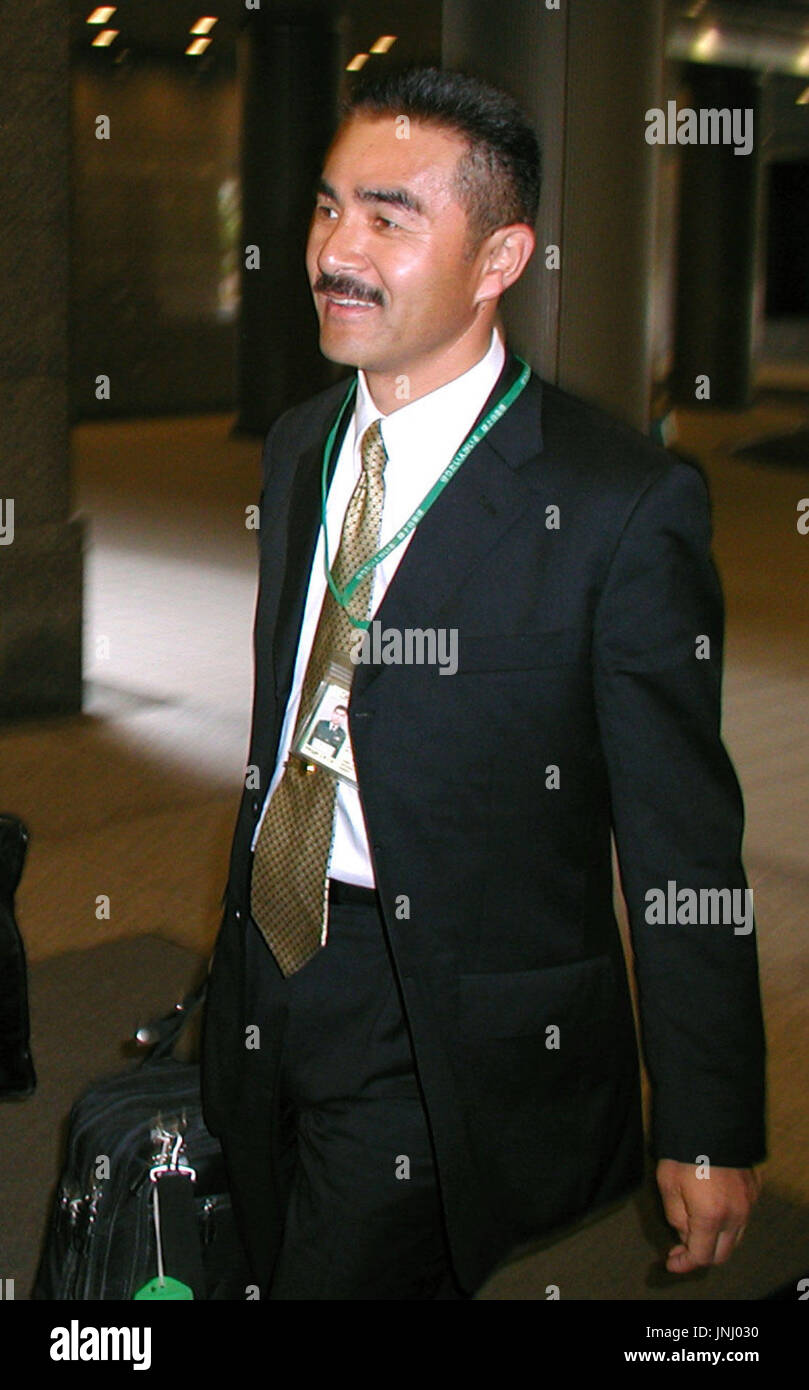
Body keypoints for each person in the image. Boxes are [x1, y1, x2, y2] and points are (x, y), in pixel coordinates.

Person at [201, 65, 766, 1300]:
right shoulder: (303, 445)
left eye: (389, 216)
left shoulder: (618, 506)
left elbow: (681, 840)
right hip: (273, 962)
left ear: (500, 255)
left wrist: (707, 1112)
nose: (333, 250)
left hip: (440, 1013)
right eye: (325, 206)